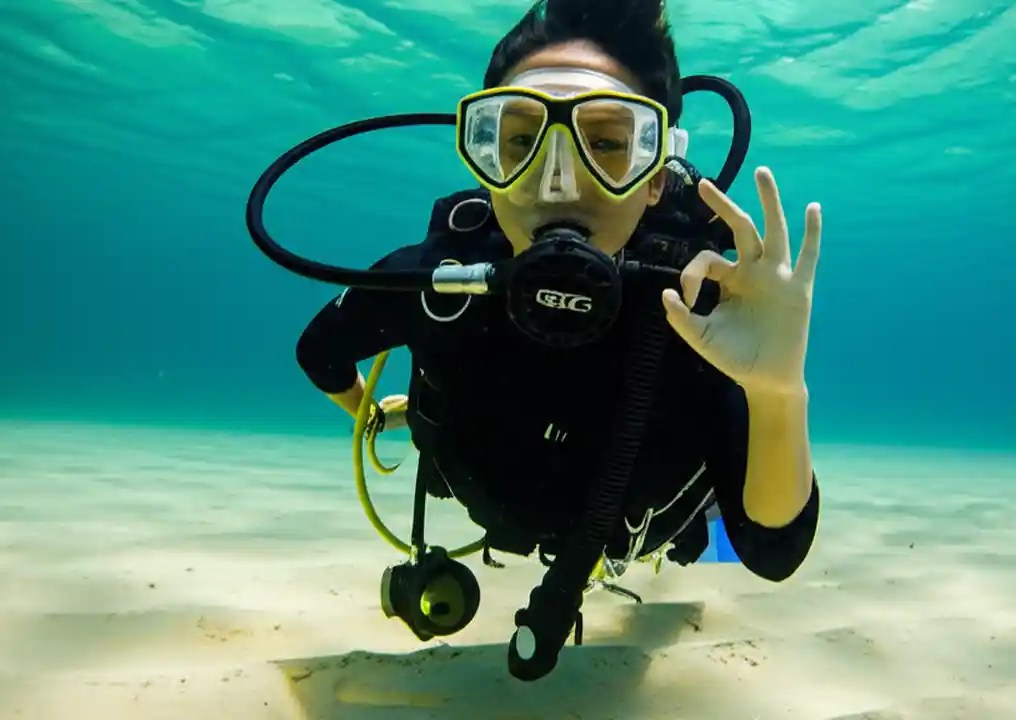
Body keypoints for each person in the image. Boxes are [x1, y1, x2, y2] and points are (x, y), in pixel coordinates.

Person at [291, 0, 823, 676]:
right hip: (519, 508)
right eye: (519, 140)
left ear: (657, 174)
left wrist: (778, 391)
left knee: (697, 532)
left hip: (648, 526)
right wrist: (378, 407)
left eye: (605, 142)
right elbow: (320, 351)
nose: (557, 181)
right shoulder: (443, 282)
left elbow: (774, 550)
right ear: (485, 160)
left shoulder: (697, 313)